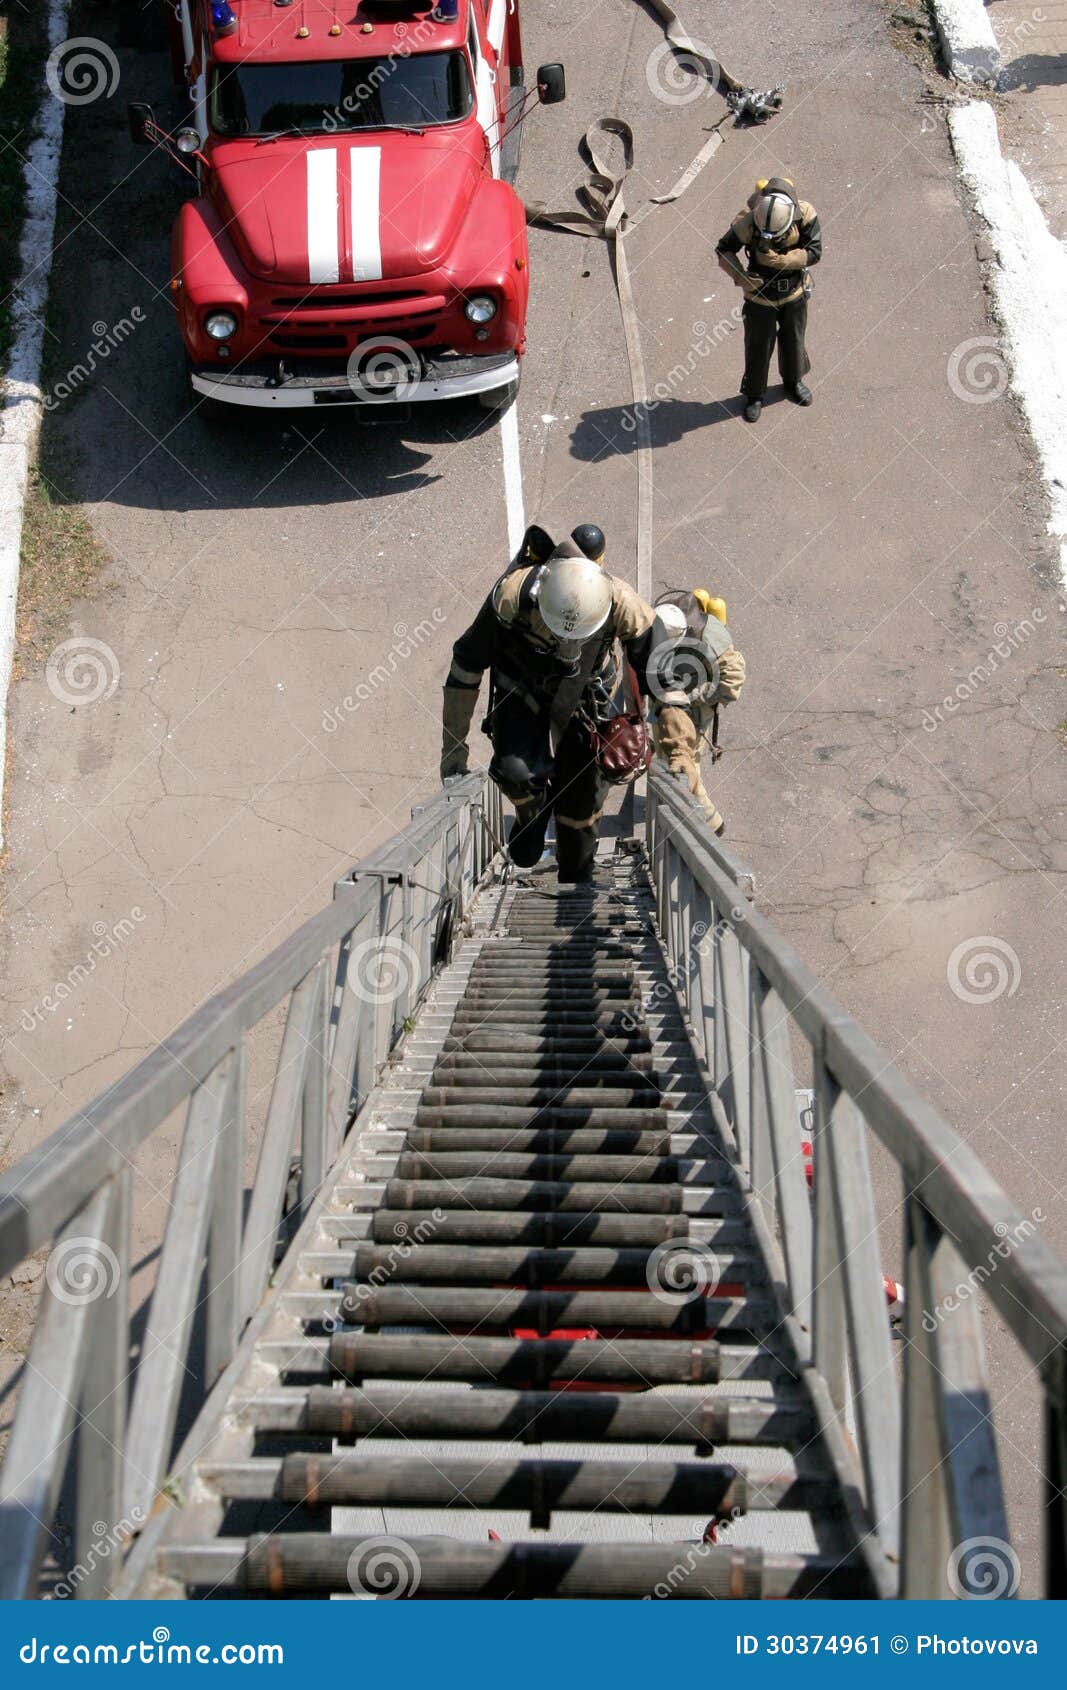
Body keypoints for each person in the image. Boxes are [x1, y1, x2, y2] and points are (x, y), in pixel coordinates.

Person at [440, 524, 655, 883]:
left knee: (581, 801)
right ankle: (533, 814)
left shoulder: (620, 602)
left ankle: (575, 873)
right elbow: (466, 666)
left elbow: (658, 669)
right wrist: (453, 755)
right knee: (516, 773)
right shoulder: (514, 596)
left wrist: (670, 738)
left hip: (585, 697)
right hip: (523, 688)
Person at [715, 176, 821, 424]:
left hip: (794, 293)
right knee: (758, 346)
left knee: (794, 339)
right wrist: (741, 277)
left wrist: (783, 261)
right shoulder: (750, 220)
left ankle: (793, 381)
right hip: (759, 297)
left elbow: (815, 251)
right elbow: (723, 249)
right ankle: (754, 395)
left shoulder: (805, 215)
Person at [647, 590, 746, 835]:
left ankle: (710, 824)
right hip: (667, 698)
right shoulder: (662, 622)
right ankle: (678, 806)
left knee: (684, 763)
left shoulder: (710, 636)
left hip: (694, 708)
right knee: (667, 755)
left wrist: (696, 697)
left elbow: (733, 679)